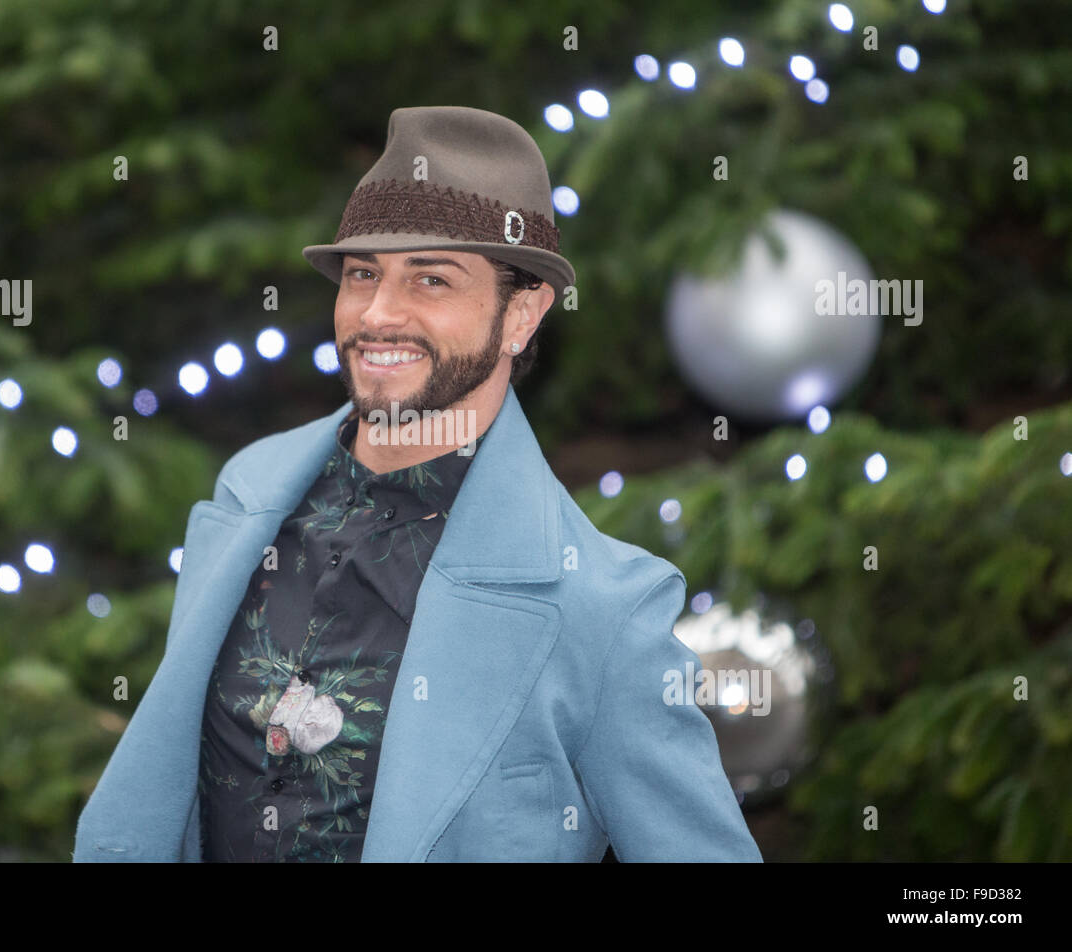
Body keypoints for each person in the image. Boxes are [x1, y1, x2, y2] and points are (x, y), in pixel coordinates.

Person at [74, 105, 762, 862]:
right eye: (362, 274)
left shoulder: (603, 610)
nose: (377, 313)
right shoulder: (247, 495)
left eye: (430, 280)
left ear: (521, 315)